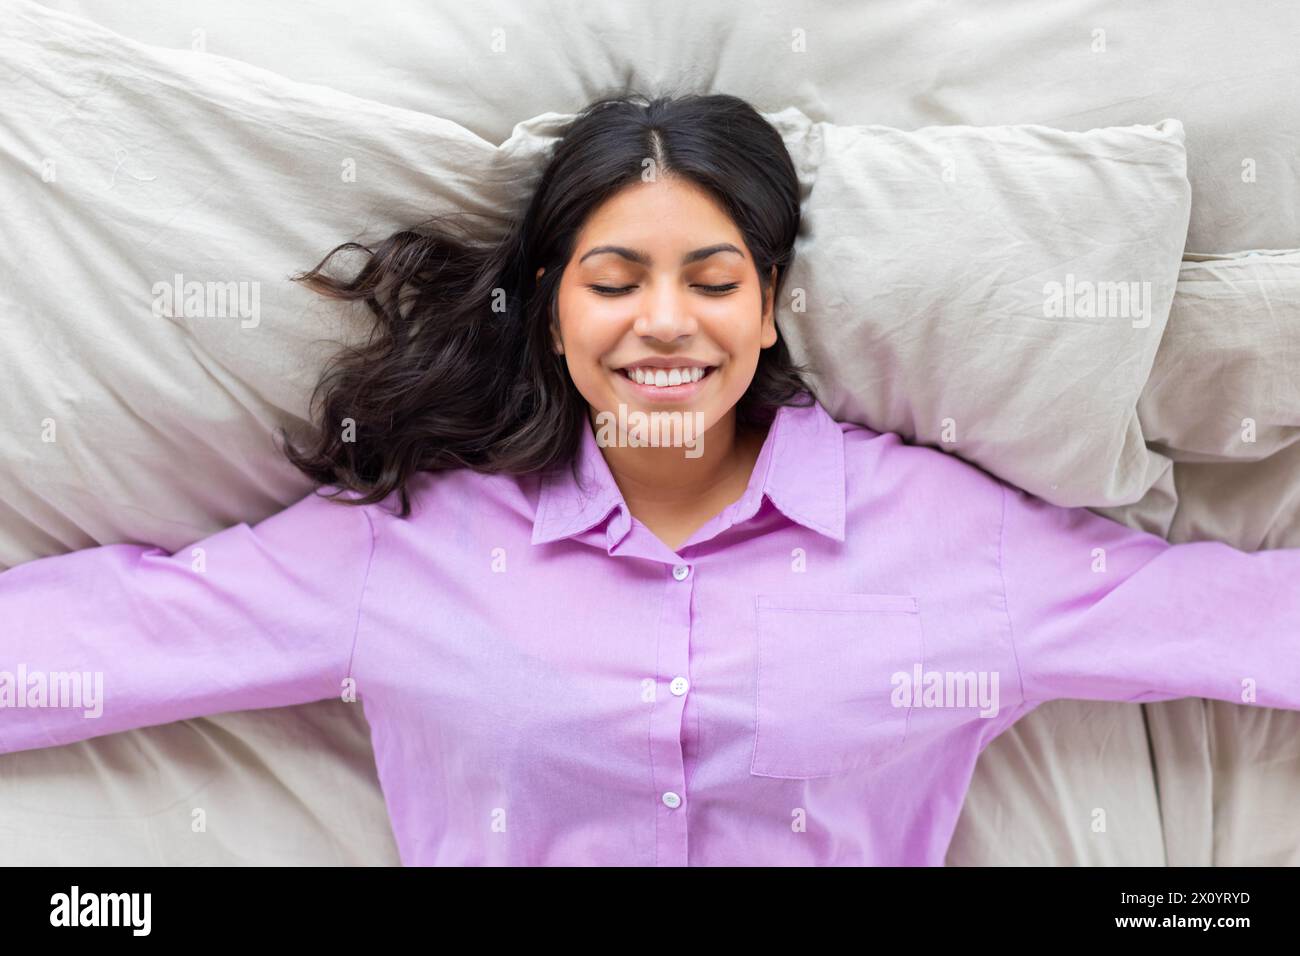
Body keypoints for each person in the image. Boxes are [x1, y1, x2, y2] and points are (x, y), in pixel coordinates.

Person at [2, 92, 1298, 866]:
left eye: (713, 280)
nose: (664, 323)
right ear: (552, 313)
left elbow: (1224, 616)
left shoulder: (953, 541)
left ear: (773, 307)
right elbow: (134, 632)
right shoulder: (411, 548)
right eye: (615, 282)